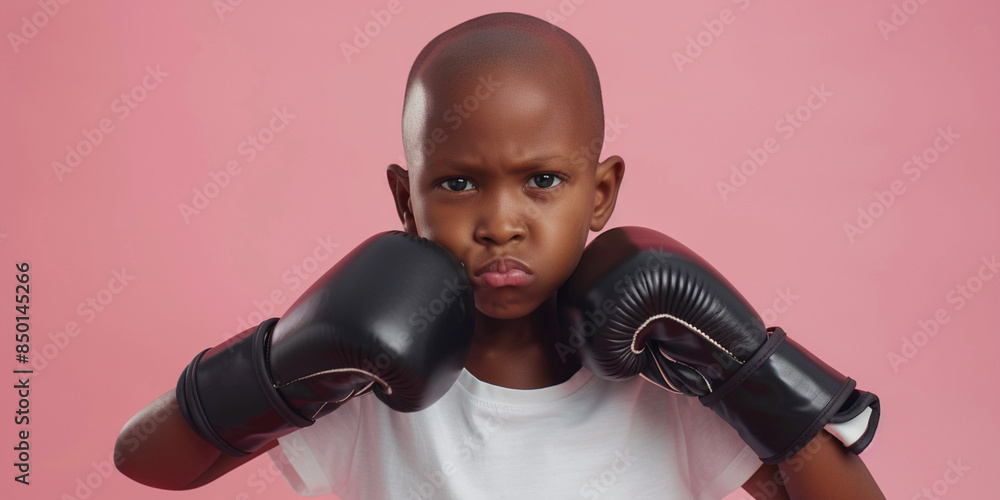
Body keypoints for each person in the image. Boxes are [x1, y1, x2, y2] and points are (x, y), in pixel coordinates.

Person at [115, 12, 885, 498]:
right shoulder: (368, 378)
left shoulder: (670, 379)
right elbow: (145, 460)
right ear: (404, 198)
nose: (500, 223)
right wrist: (283, 364)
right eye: (456, 183)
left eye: (543, 181)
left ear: (602, 191)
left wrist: (748, 368)